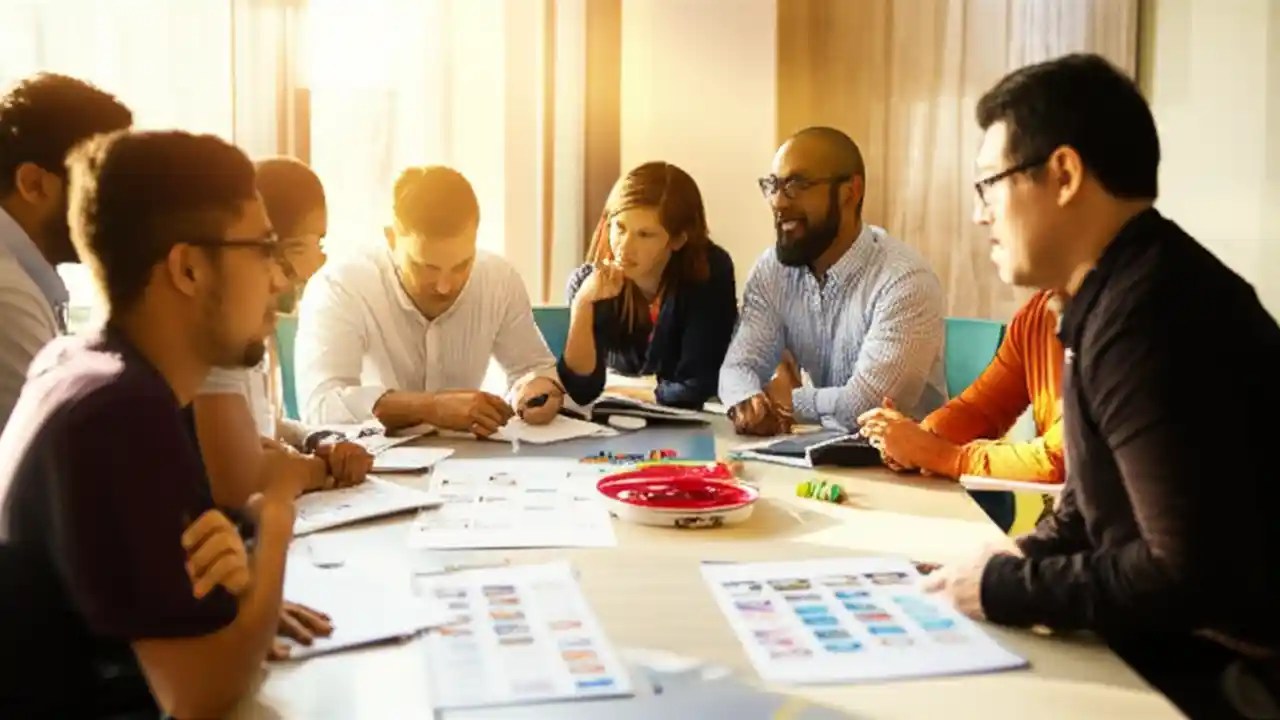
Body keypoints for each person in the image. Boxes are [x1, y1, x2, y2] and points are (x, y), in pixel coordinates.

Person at [925, 54, 1280, 719]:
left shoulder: (1152, 313)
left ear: (1063, 174)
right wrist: (1017, 554)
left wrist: (1007, 587)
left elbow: (1184, 575)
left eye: (988, 185)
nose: (980, 215)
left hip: (1241, 673)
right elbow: (1094, 508)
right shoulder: (1115, 292)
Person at [0, 131, 332, 718]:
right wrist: (275, 519)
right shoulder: (120, 413)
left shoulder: (85, 367)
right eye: (262, 249)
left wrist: (245, 599)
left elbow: (177, 593)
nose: (279, 279)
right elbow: (200, 697)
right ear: (188, 269)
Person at [295, 165, 564, 435]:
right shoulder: (341, 286)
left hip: (475, 465)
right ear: (391, 238)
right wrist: (429, 407)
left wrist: (535, 390)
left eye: (461, 265)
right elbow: (319, 407)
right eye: (426, 267)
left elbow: (533, 369)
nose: (445, 286)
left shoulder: (498, 280)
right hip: (371, 467)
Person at [718, 126, 946, 435]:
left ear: (849, 192)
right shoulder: (773, 270)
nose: (778, 202)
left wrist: (789, 399)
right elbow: (737, 368)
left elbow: (866, 408)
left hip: (905, 471)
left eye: (797, 184)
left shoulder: (904, 281)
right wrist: (748, 399)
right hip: (821, 455)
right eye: (773, 185)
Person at [193, 157, 372, 509]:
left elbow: (260, 425)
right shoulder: (224, 333)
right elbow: (246, 477)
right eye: (315, 242)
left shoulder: (259, 322)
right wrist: (313, 469)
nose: (321, 262)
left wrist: (316, 440)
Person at [0, 72, 132, 431]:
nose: (117, 209)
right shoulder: (8, 297)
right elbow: (52, 455)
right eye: (101, 186)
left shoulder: (27, 280)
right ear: (33, 184)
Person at [559, 161, 737, 409]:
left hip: (693, 430)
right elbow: (579, 391)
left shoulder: (708, 271)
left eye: (645, 234)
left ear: (677, 240)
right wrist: (583, 303)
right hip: (616, 429)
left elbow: (695, 387)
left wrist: (618, 388)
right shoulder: (587, 283)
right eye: (619, 228)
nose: (624, 247)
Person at [859, 290, 1064, 483]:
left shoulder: (1095, 331)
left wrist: (942, 456)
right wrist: (913, 440)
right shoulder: (1037, 316)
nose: (994, 249)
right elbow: (982, 408)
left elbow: (1063, 461)